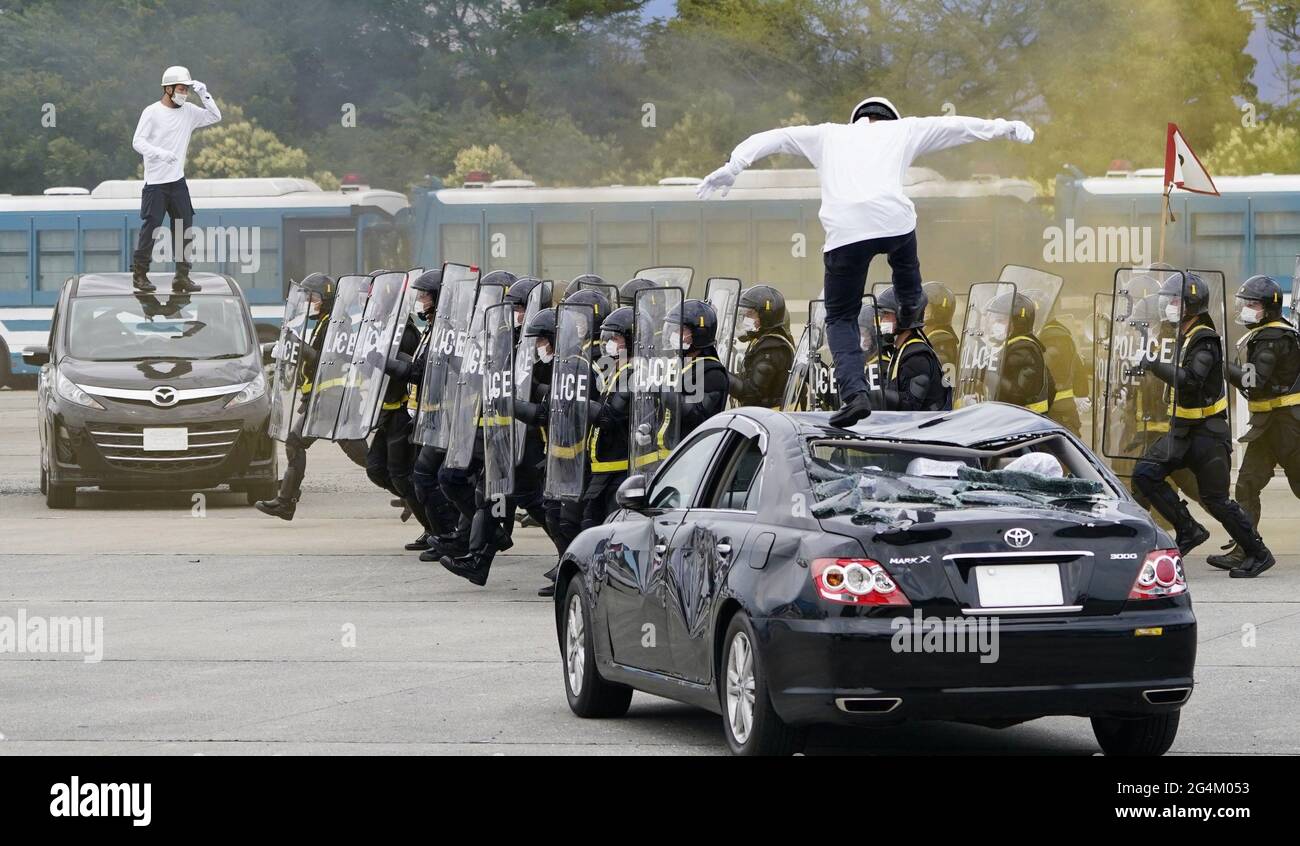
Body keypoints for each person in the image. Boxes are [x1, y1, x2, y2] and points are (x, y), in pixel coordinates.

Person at [698, 96, 1033, 426]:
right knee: (908, 282)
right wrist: (1006, 128)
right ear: (891, 118)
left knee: (840, 319)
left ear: (857, 119)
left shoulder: (828, 135)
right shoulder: (904, 130)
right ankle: (910, 316)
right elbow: (956, 127)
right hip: (895, 225)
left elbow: (773, 138)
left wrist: (735, 166)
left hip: (845, 234)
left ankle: (855, 395)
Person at [1131, 273, 1274, 575]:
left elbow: (1191, 382)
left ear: (1190, 304)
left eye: (1173, 300)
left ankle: (1258, 553)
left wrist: (1153, 364)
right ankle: (1189, 529)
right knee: (1145, 473)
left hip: (1207, 433)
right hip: (1183, 430)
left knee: (1216, 499)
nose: (1167, 306)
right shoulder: (1186, 334)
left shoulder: (1204, 339)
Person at [1207, 275, 1300, 575]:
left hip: (1288, 427)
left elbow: (1254, 381)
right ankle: (1245, 548)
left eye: (1252, 304)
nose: (1246, 309)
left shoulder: (1273, 337)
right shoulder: (1263, 334)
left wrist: (1219, 367)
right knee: (1247, 484)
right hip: (1268, 426)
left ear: (1269, 308)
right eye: (1244, 303)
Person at [255, 273, 367, 520]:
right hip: (324, 400)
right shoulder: (327, 321)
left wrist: (298, 346)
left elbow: (323, 360)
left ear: (325, 298)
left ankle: (286, 501)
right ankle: (286, 500)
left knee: (300, 444)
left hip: (331, 400)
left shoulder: (337, 324)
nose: (308, 301)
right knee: (357, 453)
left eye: (312, 297)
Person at [131, 65, 221, 294]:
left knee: (184, 226)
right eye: (181, 89)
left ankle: (182, 277)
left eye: (187, 89)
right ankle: (140, 275)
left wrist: (204, 94)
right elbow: (137, 142)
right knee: (151, 227)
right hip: (156, 184)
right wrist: (160, 153)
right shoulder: (151, 112)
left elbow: (214, 116)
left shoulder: (189, 111)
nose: (184, 93)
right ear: (168, 89)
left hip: (178, 181)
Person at [376, 269, 448, 551]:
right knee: (418, 478)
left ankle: (444, 534)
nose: (420, 299)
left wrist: (387, 362)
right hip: (418, 416)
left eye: (425, 295)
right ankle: (439, 532)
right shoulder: (431, 328)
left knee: (427, 479)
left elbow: (421, 372)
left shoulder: (434, 332)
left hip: (435, 419)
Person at [582, 306, 636, 531]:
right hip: (603, 466)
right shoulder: (616, 370)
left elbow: (608, 417)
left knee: (610, 529)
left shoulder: (633, 374)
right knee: (587, 523)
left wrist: (577, 401)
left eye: (616, 338)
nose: (609, 343)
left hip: (619, 468)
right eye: (608, 338)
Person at [662, 300, 729, 442]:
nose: (673, 334)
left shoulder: (713, 374)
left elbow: (697, 415)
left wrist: (664, 393)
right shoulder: (682, 364)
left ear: (699, 333)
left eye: (680, 330)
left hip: (695, 456)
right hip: (669, 453)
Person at [875, 287, 951, 411]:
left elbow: (910, 406)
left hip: (927, 429)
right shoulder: (901, 350)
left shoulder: (916, 357)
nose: (882, 320)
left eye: (887, 315)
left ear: (904, 317)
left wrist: (875, 397)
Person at [984, 290, 1054, 413]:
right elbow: (1052, 387)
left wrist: (988, 375)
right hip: (1014, 417)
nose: (995, 325)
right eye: (995, 320)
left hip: (1025, 421)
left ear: (1018, 322)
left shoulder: (1024, 350)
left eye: (1001, 320)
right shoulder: (1011, 347)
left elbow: (1018, 393)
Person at [728, 285, 796, 409]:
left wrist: (722, 376)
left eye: (749, 315)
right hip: (764, 417)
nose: (745, 320)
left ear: (766, 316)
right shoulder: (761, 341)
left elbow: (751, 394)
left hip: (774, 421)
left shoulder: (772, 349)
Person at [1041, 312, 1089, 436]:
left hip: (1052, 413)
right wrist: (1081, 394)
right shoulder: (1063, 337)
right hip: (1066, 414)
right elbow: (1078, 367)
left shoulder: (1047, 339)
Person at [922, 281, 960, 377]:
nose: (920, 309)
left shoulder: (942, 341)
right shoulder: (929, 334)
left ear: (938, 310)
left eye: (925, 306)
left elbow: (945, 382)